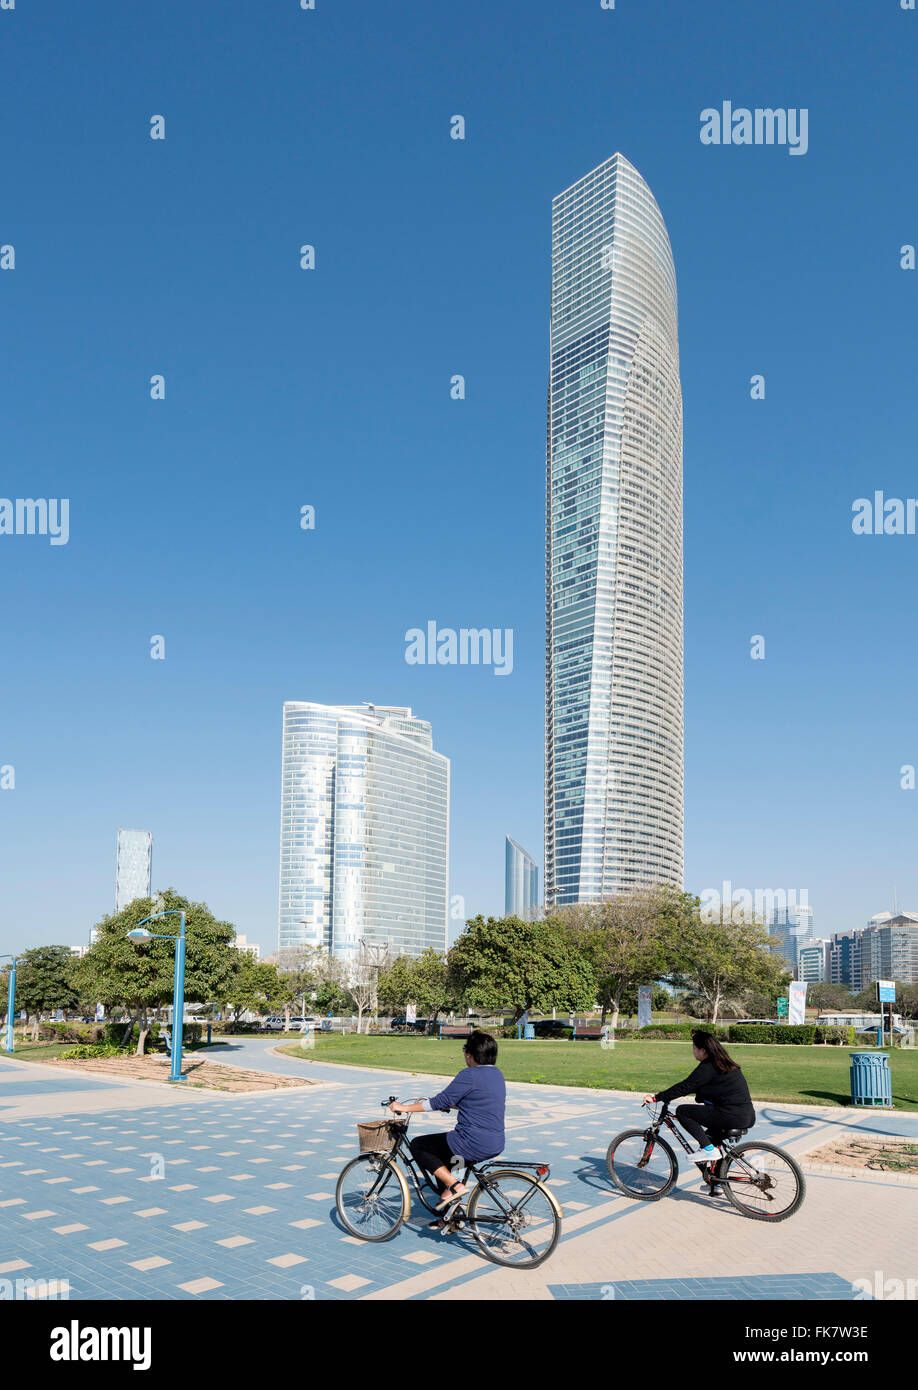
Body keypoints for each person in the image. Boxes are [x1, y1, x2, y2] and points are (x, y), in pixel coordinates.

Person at [389, 1029, 506, 1228]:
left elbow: (439, 1101)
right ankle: (451, 1218)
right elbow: (478, 1100)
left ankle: (455, 1186)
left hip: (471, 1142)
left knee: (420, 1145)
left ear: (470, 1055)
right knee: (447, 1164)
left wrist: (404, 1107)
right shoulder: (496, 1074)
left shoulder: (469, 1074)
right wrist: (451, 1105)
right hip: (495, 1141)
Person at [642, 1031, 755, 1166]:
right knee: (710, 1138)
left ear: (703, 1050)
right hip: (745, 1115)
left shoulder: (709, 1066)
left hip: (731, 1115)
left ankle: (708, 1150)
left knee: (683, 1111)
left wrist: (656, 1098)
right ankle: (717, 1183)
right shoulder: (723, 1063)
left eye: (694, 1048)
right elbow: (701, 1087)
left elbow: (686, 1086)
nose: (693, 1051)